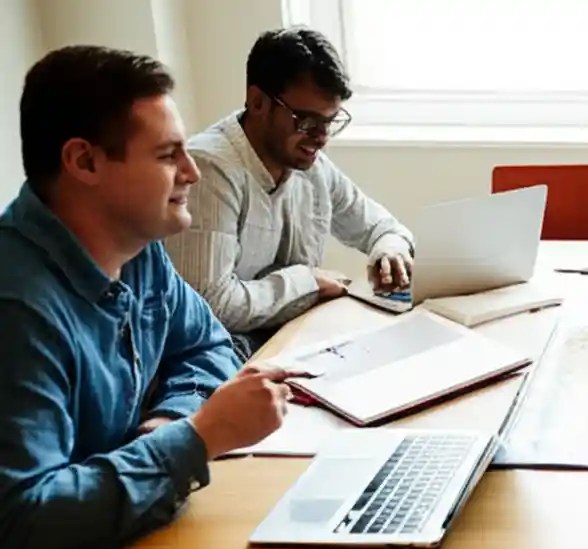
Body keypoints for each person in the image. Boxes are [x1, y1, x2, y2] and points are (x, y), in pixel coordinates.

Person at [0, 46, 299, 549]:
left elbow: (208, 347)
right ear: (84, 162)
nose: (192, 173)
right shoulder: (16, 309)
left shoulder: (136, 246)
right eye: (167, 156)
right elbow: (18, 520)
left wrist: (167, 424)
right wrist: (198, 439)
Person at [163, 27, 415, 360]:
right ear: (257, 102)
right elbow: (211, 304)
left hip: (291, 339)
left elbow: (383, 227)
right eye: (306, 120)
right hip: (219, 353)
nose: (322, 137)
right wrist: (306, 281)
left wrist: (389, 251)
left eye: (331, 121)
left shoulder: (311, 164)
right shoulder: (210, 169)